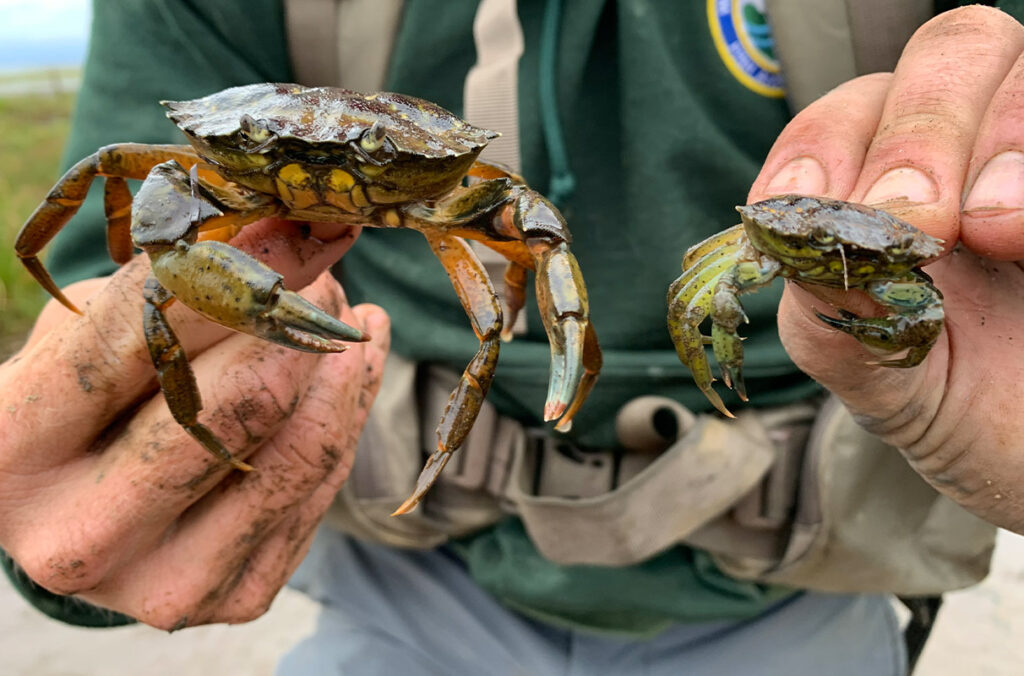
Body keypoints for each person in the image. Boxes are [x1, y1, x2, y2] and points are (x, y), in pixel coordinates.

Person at [1, 1, 1023, 673]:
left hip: (795, 589)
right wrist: (84, 524)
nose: (324, 170)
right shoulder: (191, 150)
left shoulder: (472, 195)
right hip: (396, 588)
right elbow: (103, 280)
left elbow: (526, 239)